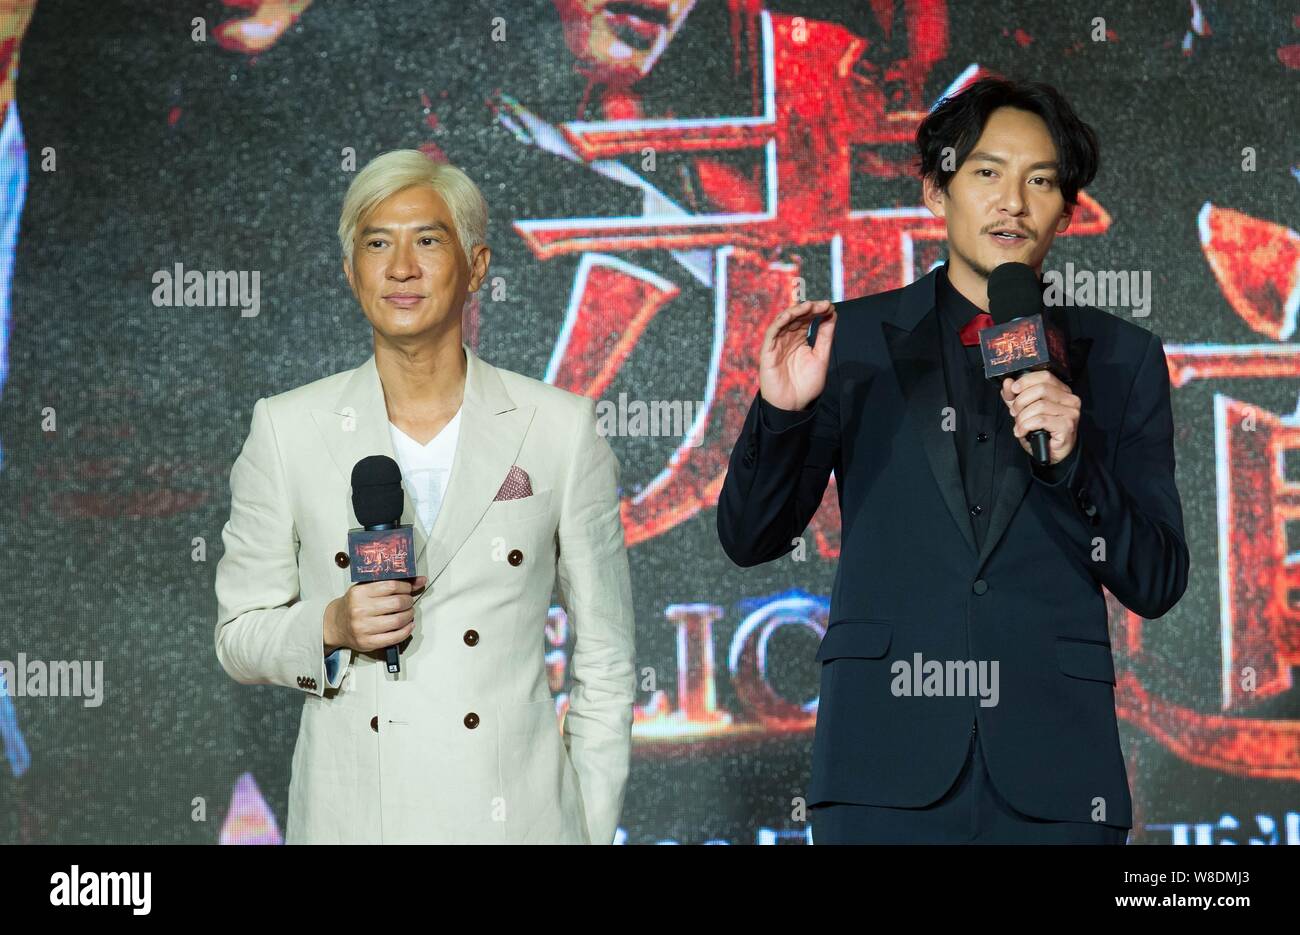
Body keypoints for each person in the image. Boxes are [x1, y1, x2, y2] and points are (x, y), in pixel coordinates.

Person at [716, 77, 1189, 844]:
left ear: (1067, 211)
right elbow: (750, 536)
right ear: (936, 190)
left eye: (1040, 181)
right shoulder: (853, 343)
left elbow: (1159, 578)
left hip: (1058, 778)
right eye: (988, 173)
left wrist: (1073, 465)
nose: (1013, 202)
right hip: (882, 770)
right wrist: (781, 410)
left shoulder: (1120, 360)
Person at [214, 150, 636, 844]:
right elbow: (238, 635)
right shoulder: (288, 428)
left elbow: (607, 658)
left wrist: (581, 828)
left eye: (427, 241)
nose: (401, 267)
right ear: (352, 273)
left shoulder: (557, 428)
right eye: (377, 243)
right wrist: (332, 626)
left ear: (477, 265)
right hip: (358, 821)